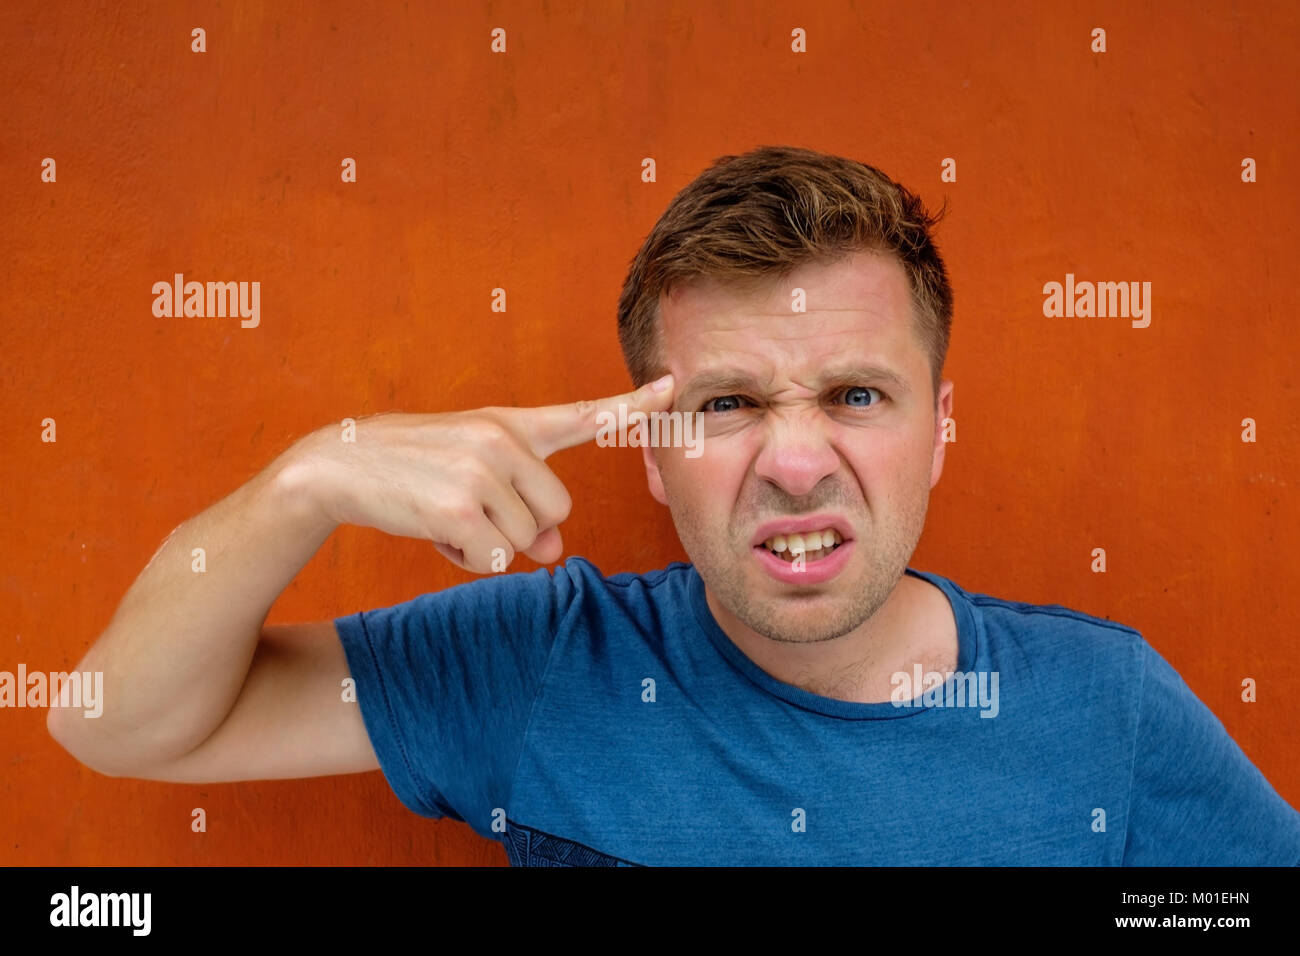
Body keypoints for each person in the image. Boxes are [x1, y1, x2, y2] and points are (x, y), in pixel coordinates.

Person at [49, 145, 1300, 866]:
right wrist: (305, 480)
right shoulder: (544, 663)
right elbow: (119, 725)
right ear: (650, 450)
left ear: (940, 428)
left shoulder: (1107, 711)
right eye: (726, 404)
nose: (796, 461)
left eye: (857, 394)